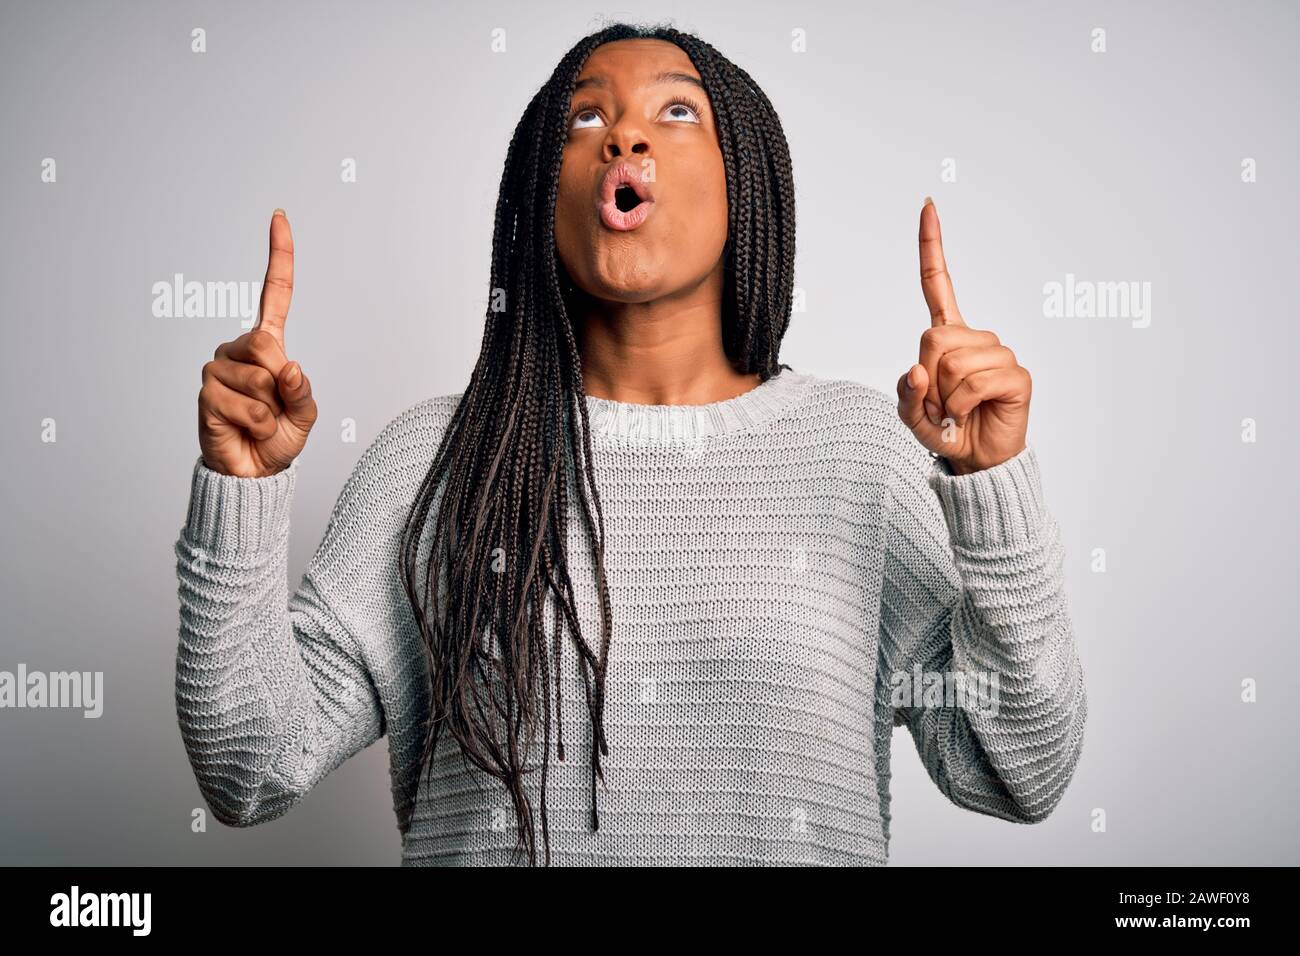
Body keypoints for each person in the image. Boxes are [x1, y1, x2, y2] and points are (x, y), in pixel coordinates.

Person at [174, 22, 1087, 867]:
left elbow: (1018, 770)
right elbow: (253, 766)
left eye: (676, 109)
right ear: (541, 191)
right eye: (585, 117)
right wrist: (240, 493)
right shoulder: (435, 460)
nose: (624, 136)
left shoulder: (859, 455)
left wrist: (993, 489)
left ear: (747, 183)